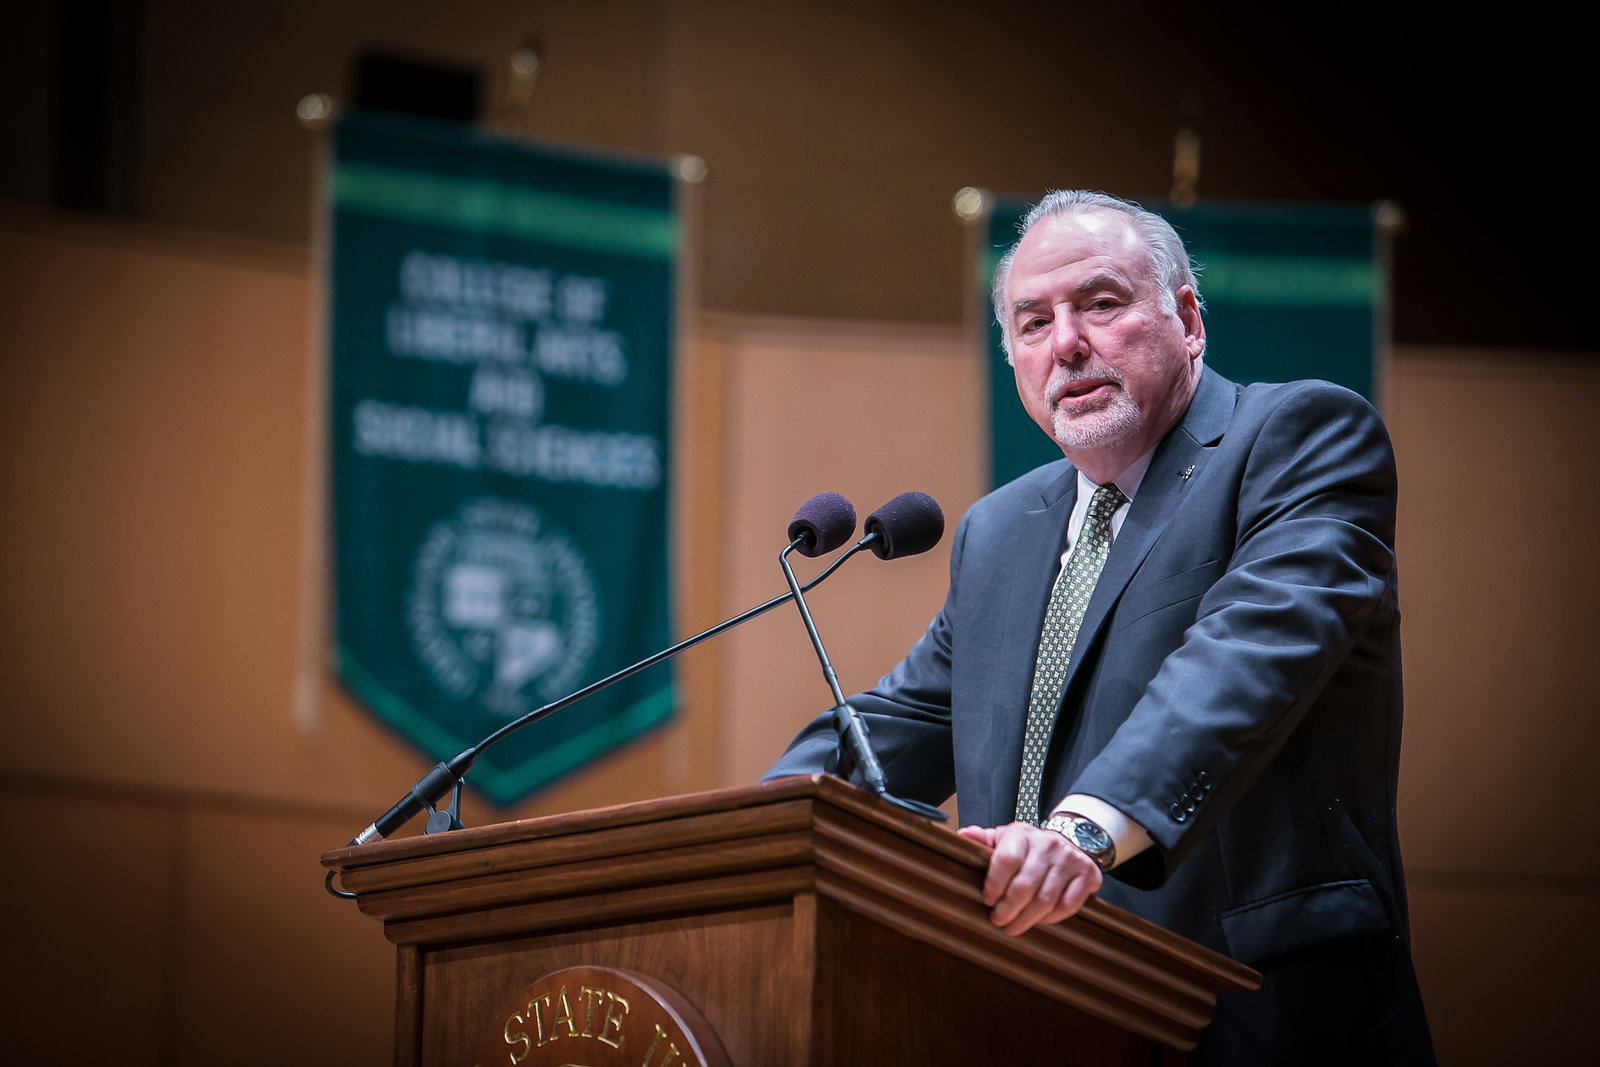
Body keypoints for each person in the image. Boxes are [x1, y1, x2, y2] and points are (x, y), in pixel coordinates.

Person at [765, 190, 1434, 1064]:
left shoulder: (1299, 438)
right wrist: (751, 831)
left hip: (1260, 1014)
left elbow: (1242, 659)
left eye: (1101, 303)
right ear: (1014, 360)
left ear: (1188, 319)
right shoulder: (1000, 531)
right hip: (1035, 1012)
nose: (1067, 342)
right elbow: (896, 728)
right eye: (1034, 322)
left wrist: (1076, 834)